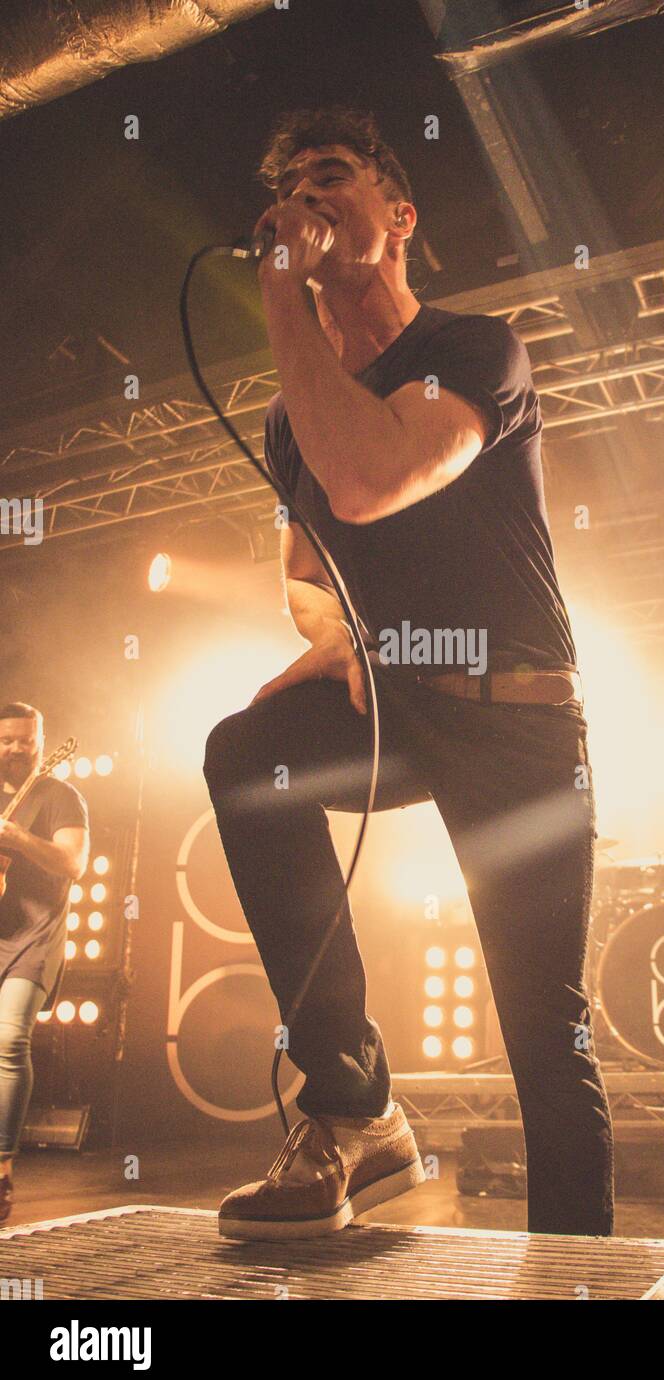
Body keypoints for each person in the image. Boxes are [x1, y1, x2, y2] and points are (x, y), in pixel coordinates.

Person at [204, 107, 613, 1241]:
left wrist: (282, 288)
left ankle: (577, 1267)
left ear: (399, 216)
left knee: (543, 1024)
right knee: (245, 750)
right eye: (289, 183)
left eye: (330, 177)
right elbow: (305, 569)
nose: (304, 197)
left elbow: (372, 477)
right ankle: (354, 1103)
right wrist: (333, 641)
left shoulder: (475, 351)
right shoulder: (293, 415)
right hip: (404, 708)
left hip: (518, 724)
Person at [0, 703, 89, 1224]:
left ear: (42, 741)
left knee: (9, 1039)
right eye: (7, 739)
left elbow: (72, 863)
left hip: (37, 937)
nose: (16, 749)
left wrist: (16, 840)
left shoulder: (61, 797)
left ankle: (3, 1166)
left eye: (25, 740)